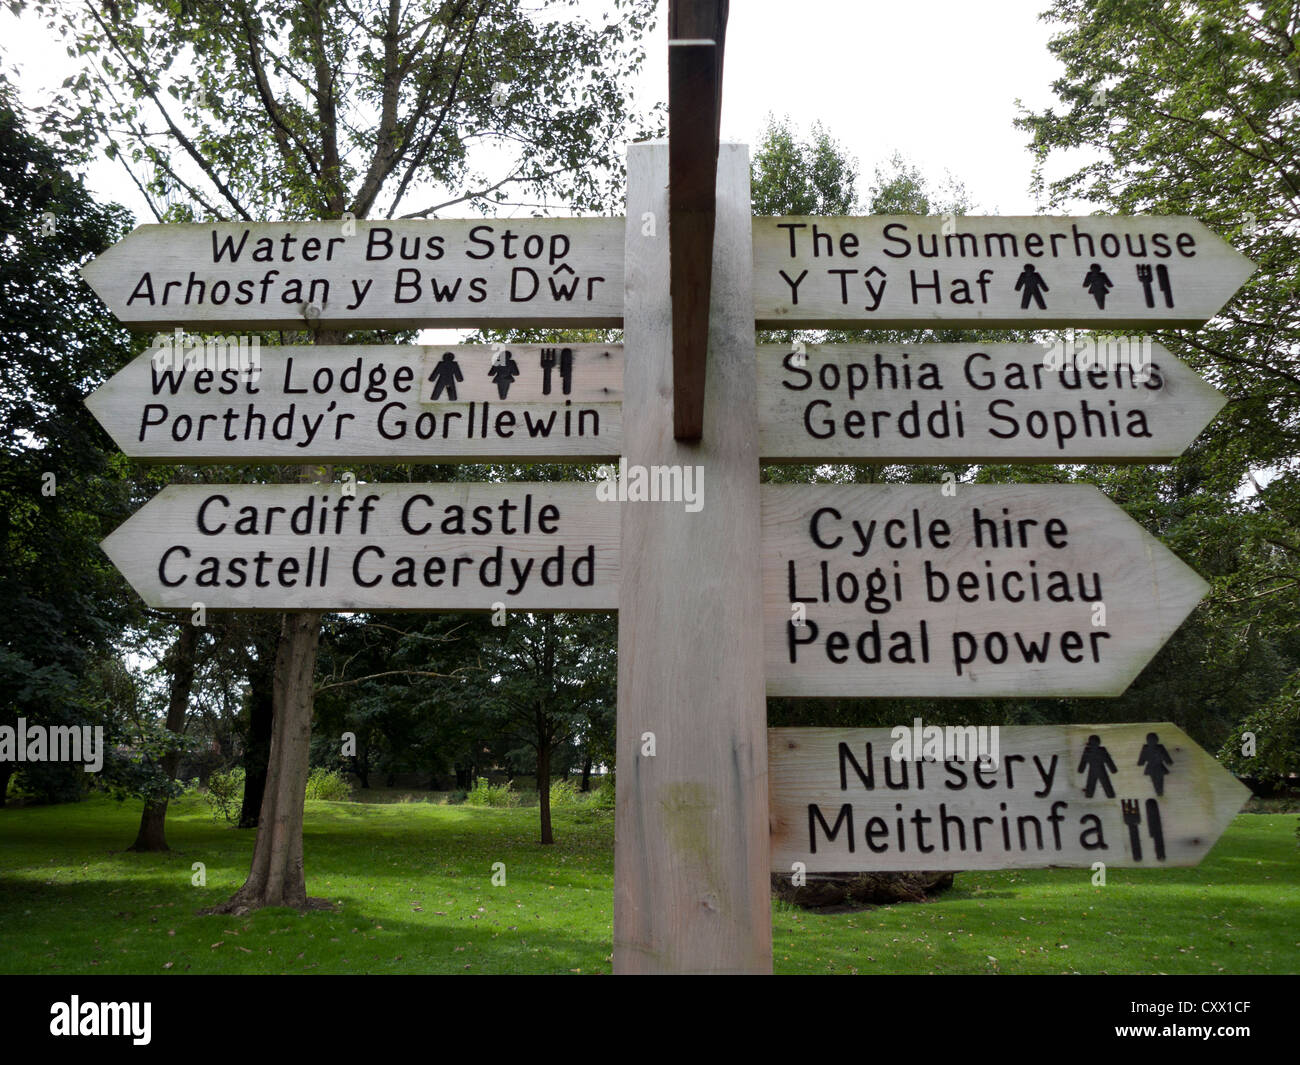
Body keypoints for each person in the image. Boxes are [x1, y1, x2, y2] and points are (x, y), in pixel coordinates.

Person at [1137, 732, 1173, 796]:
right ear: (1157, 740)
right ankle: (1160, 793)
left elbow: (1141, 761)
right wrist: (1169, 762)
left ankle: (1159, 792)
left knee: (1155, 782)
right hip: (1159, 767)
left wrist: (1140, 763)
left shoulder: (1146, 748)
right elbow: (1166, 758)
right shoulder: (1160, 747)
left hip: (1151, 768)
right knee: (1160, 782)